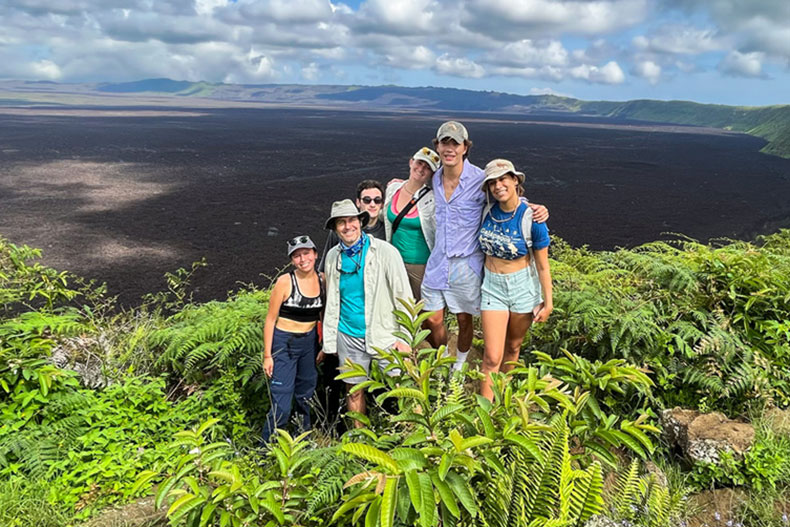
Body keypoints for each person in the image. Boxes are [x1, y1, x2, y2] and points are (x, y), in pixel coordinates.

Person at [421, 121, 549, 370]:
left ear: (465, 148)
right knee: (433, 318)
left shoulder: (478, 179)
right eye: (444, 143)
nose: (449, 149)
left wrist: (532, 207)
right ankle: (442, 360)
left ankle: (458, 365)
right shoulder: (435, 178)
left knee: (464, 318)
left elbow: (505, 196)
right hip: (438, 261)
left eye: (455, 143)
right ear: (437, 146)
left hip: (466, 264)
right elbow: (414, 184)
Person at [321, 199, 413, 423]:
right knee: (354, 390)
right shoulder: (333, 257)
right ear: (335, 228)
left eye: (351, 220)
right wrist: (331, 339)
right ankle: (361, 442)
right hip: (349, 334)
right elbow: (333, 300)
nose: (347, 227)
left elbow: (404, 295)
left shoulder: (385, 252)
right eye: (341, 223)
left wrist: (406, 337)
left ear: (360, 222)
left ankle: (416, 438)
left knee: (403, 387)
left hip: (385, 334)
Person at [477, 159, 553, 400]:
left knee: (513, 347)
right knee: (491, 356)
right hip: (492, 287)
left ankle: (503, 400)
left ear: (515, 180)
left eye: (503, 179)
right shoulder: (486, 210)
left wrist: (548, 302)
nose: (498, 186)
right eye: (493, 182)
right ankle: (484, 414)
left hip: (522, 287)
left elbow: (542, 265)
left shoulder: (533, 218)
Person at [261, 235, 325, 442]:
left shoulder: (323, 280)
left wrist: (323, 345)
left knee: (306, 394)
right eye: (296, 256)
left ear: (315, 254)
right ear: (291, 261)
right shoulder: (285, 282)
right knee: (281, 399)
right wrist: (268, 355)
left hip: (309, 343)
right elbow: (270, 320)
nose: (302, 259)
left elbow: (323, 316)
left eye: (306, 253)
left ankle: (302, 440)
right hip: (284, 343)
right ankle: (266, 447)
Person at [384, 147, 440, 300]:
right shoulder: (393, 189)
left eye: (427, 168)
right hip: (393, 260)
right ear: (411, 162)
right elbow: (384, 218)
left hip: (419, 265)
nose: (421, 169)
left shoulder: (432, 200)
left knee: (418, 310)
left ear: (432, 174)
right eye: (420, 163)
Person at [319, 179, 385, 272]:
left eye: (377, 200)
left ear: (382, 204)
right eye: (367, 200)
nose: (372, 204)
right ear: (358, 202)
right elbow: (325, 267)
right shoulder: (341, 231)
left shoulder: (388, 229)